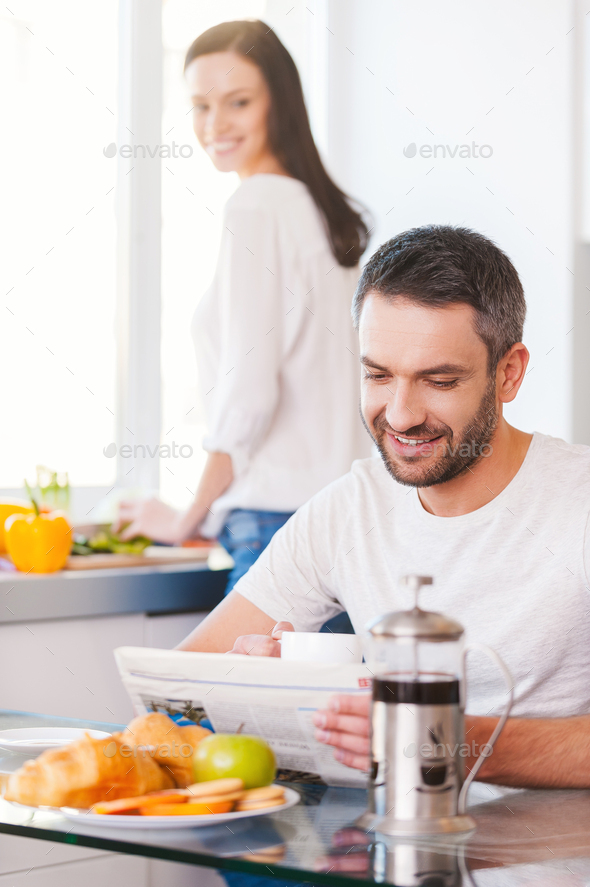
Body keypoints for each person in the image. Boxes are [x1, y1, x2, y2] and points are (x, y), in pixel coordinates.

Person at [177, 224, 590, 789]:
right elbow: (175, 694)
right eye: (378, 375)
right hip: (388, 838)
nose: (400, 415)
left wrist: (441, 741)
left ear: (508, 373)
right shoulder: (348, 510)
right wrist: (253, 694)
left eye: (438, 380)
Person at [114, 20, 371, 594]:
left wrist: (188, 518)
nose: (215, 125)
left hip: (274, 528)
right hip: (337, 521)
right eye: (201, 106)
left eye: (238, 102)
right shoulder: (313, 208)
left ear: (279, 102)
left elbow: (249, 394)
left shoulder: (255, 205)